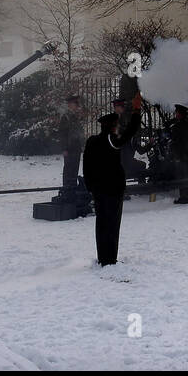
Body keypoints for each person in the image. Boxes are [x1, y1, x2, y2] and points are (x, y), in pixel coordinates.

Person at [83, 111, 128, 265]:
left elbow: (86, 165)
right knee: (112, 225)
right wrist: (136, 113)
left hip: (98, 189)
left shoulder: (92, 141)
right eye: (116, 125)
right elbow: (128, 135)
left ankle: (103, 256)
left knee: (101, 223)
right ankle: (110, 258)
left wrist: (90, 186)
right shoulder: (111, 140)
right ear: (112, 127)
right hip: (113, 188)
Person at [58, 95, 87, 192]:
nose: (76, 106)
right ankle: (67, 187)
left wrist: (82, 143)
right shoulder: (65, 117)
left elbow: (79, 132)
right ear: (70, 105)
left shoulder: (75, 116)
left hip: (76, 146)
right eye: (75, 104)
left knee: (74, 168)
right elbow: (62, 134)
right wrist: (64, 148)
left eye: (76, 104)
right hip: (69, 147)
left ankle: (72, 187)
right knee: (68, 168)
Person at [169, 104, 188, 204]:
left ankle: (185, 197)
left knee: (182, 175)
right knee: (186, 174)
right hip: (186, 153)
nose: (175, 114)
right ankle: (187, 194)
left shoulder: (179, 126)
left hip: (182, 154)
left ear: (180, 114)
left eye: (177, 112)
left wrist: (177, 155)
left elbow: (178, 142)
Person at [113, 97, 146, 177]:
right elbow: (140, 150)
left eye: (116, 106)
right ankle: (141, 187)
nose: (114, 109)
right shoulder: (120, 121)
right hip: (124, 163)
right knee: (142, 165)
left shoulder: (122, 120)